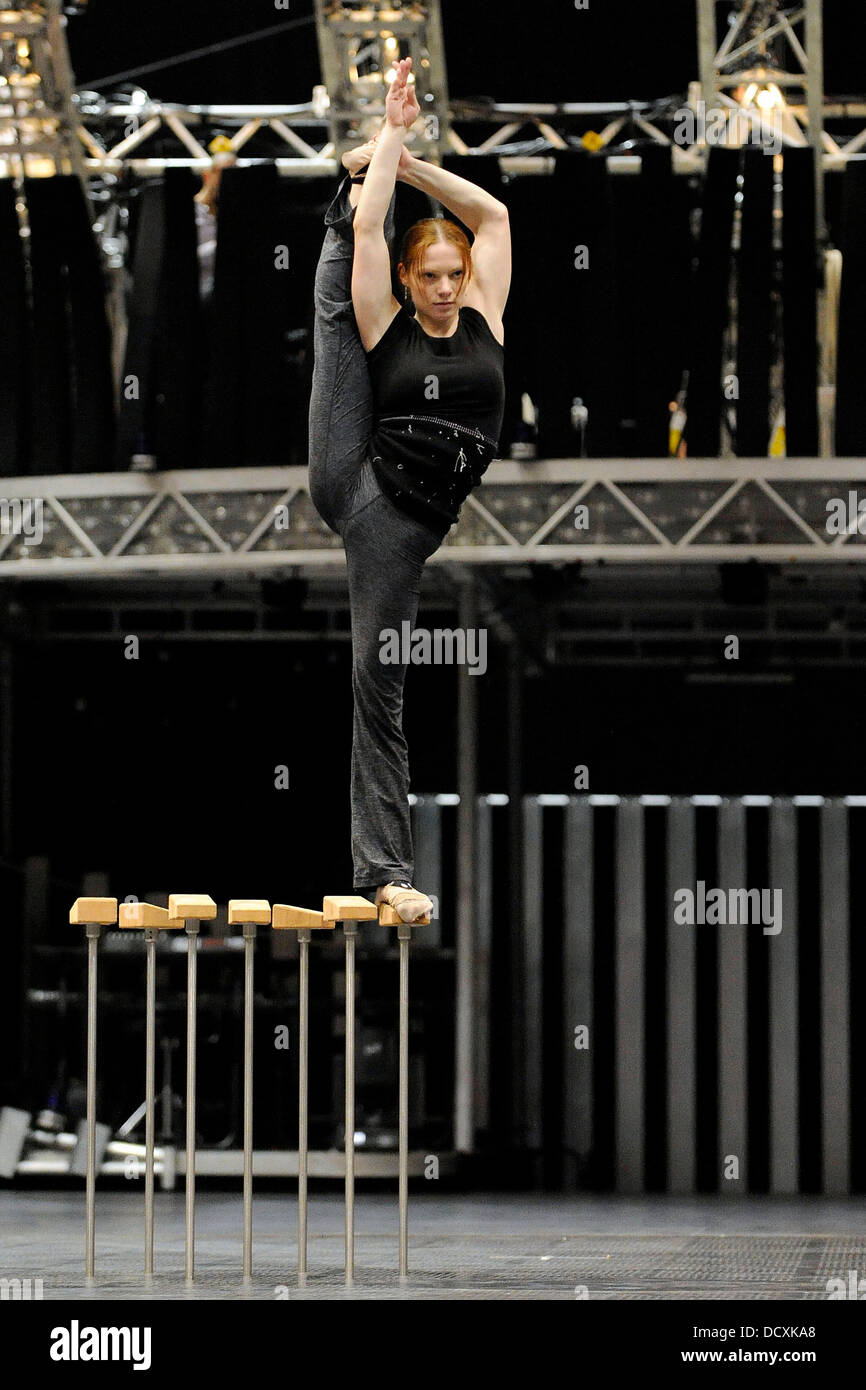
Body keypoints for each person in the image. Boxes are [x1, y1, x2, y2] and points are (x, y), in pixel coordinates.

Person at [308, 57, 511, 923]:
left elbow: (494, 213)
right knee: (380, 683)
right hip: (366, 496)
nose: (438, 288)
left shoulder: (485, 317)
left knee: (366, 216)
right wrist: (389, 135)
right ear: (407, 281)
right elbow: (375, 238)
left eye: (449, 276)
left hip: (412, 514)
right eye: (425, 276)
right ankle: (385, 871)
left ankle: (359, 169)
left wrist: (405, 153)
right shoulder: (388, 317)